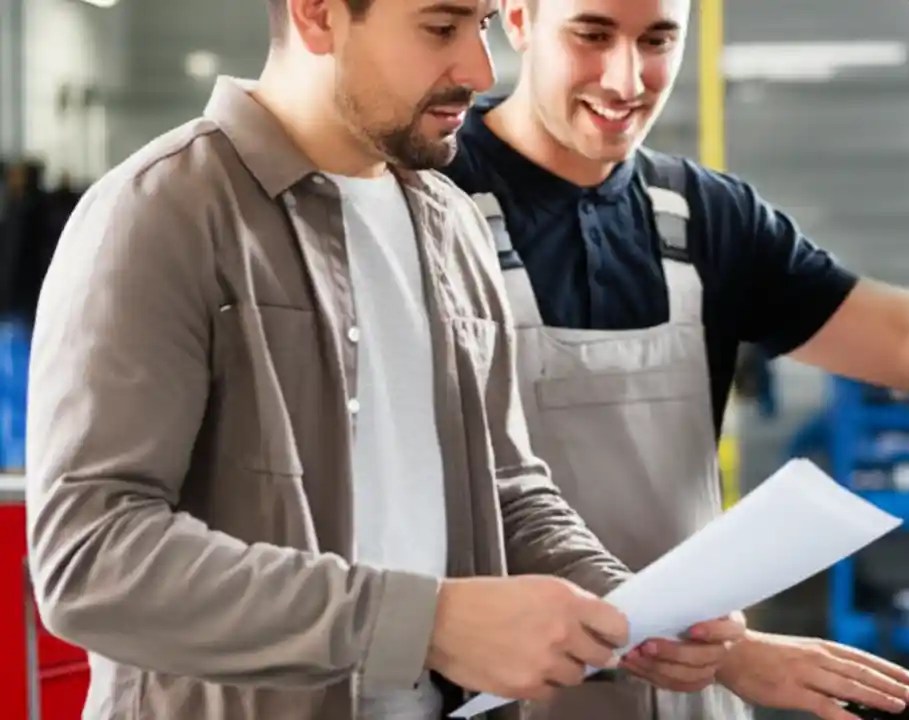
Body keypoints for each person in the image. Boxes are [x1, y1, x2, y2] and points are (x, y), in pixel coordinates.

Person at [442, 1, 909, 718]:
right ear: (519, 20)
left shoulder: (707, 218)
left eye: (658, 40)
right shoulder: (431, 202)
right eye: (592, 35)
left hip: (692, 684)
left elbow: (907, 338)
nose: (626, 79)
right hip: (509, 691)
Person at [23, 1, 745, 718]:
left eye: (482, 26)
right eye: (440, 28)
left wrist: (631, 610)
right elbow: (91, 556)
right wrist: (426, 623)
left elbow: (507, 492)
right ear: (317, 15)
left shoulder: (455, 226)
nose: (481, 70)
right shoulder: (163, 212)